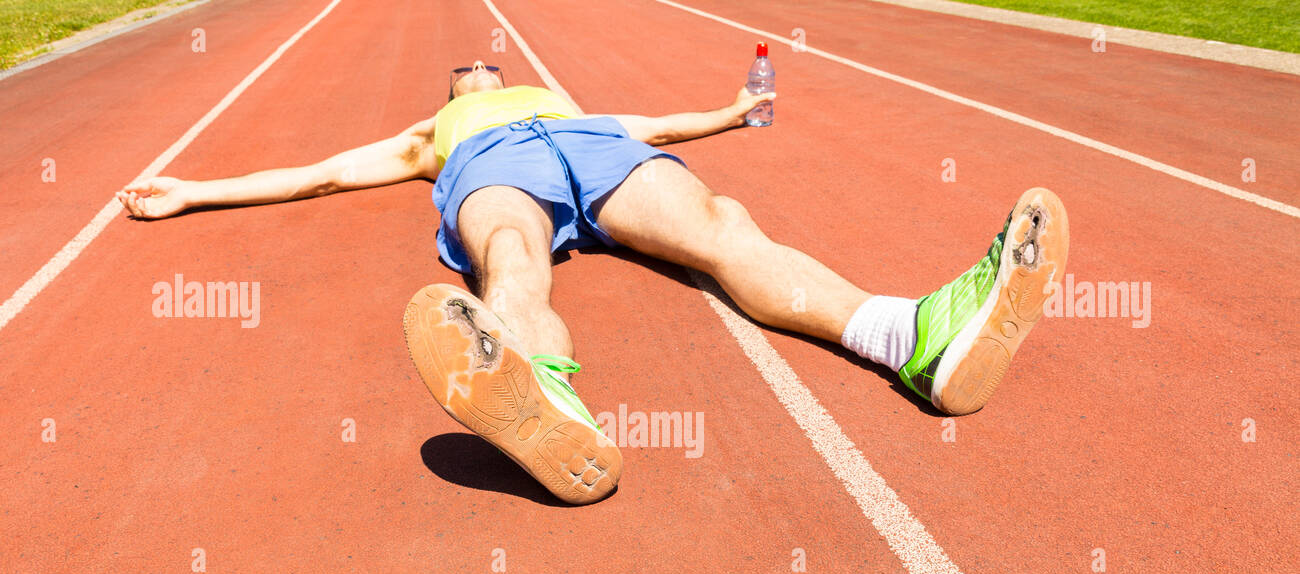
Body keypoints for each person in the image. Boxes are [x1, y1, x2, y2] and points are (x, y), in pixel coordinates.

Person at [118, 60, 1068, 505]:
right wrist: (193, 192)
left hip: (592, 147)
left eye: (489, 60)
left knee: (721, 226)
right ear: (452, 93)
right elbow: (315, 173)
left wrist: (734, 113)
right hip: (494, 168)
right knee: (512, 261)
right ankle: (543, 400)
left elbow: (665, 121)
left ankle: (916, 337)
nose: (480, 63)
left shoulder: (566, 101)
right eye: (465, 69)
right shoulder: (434, 133)